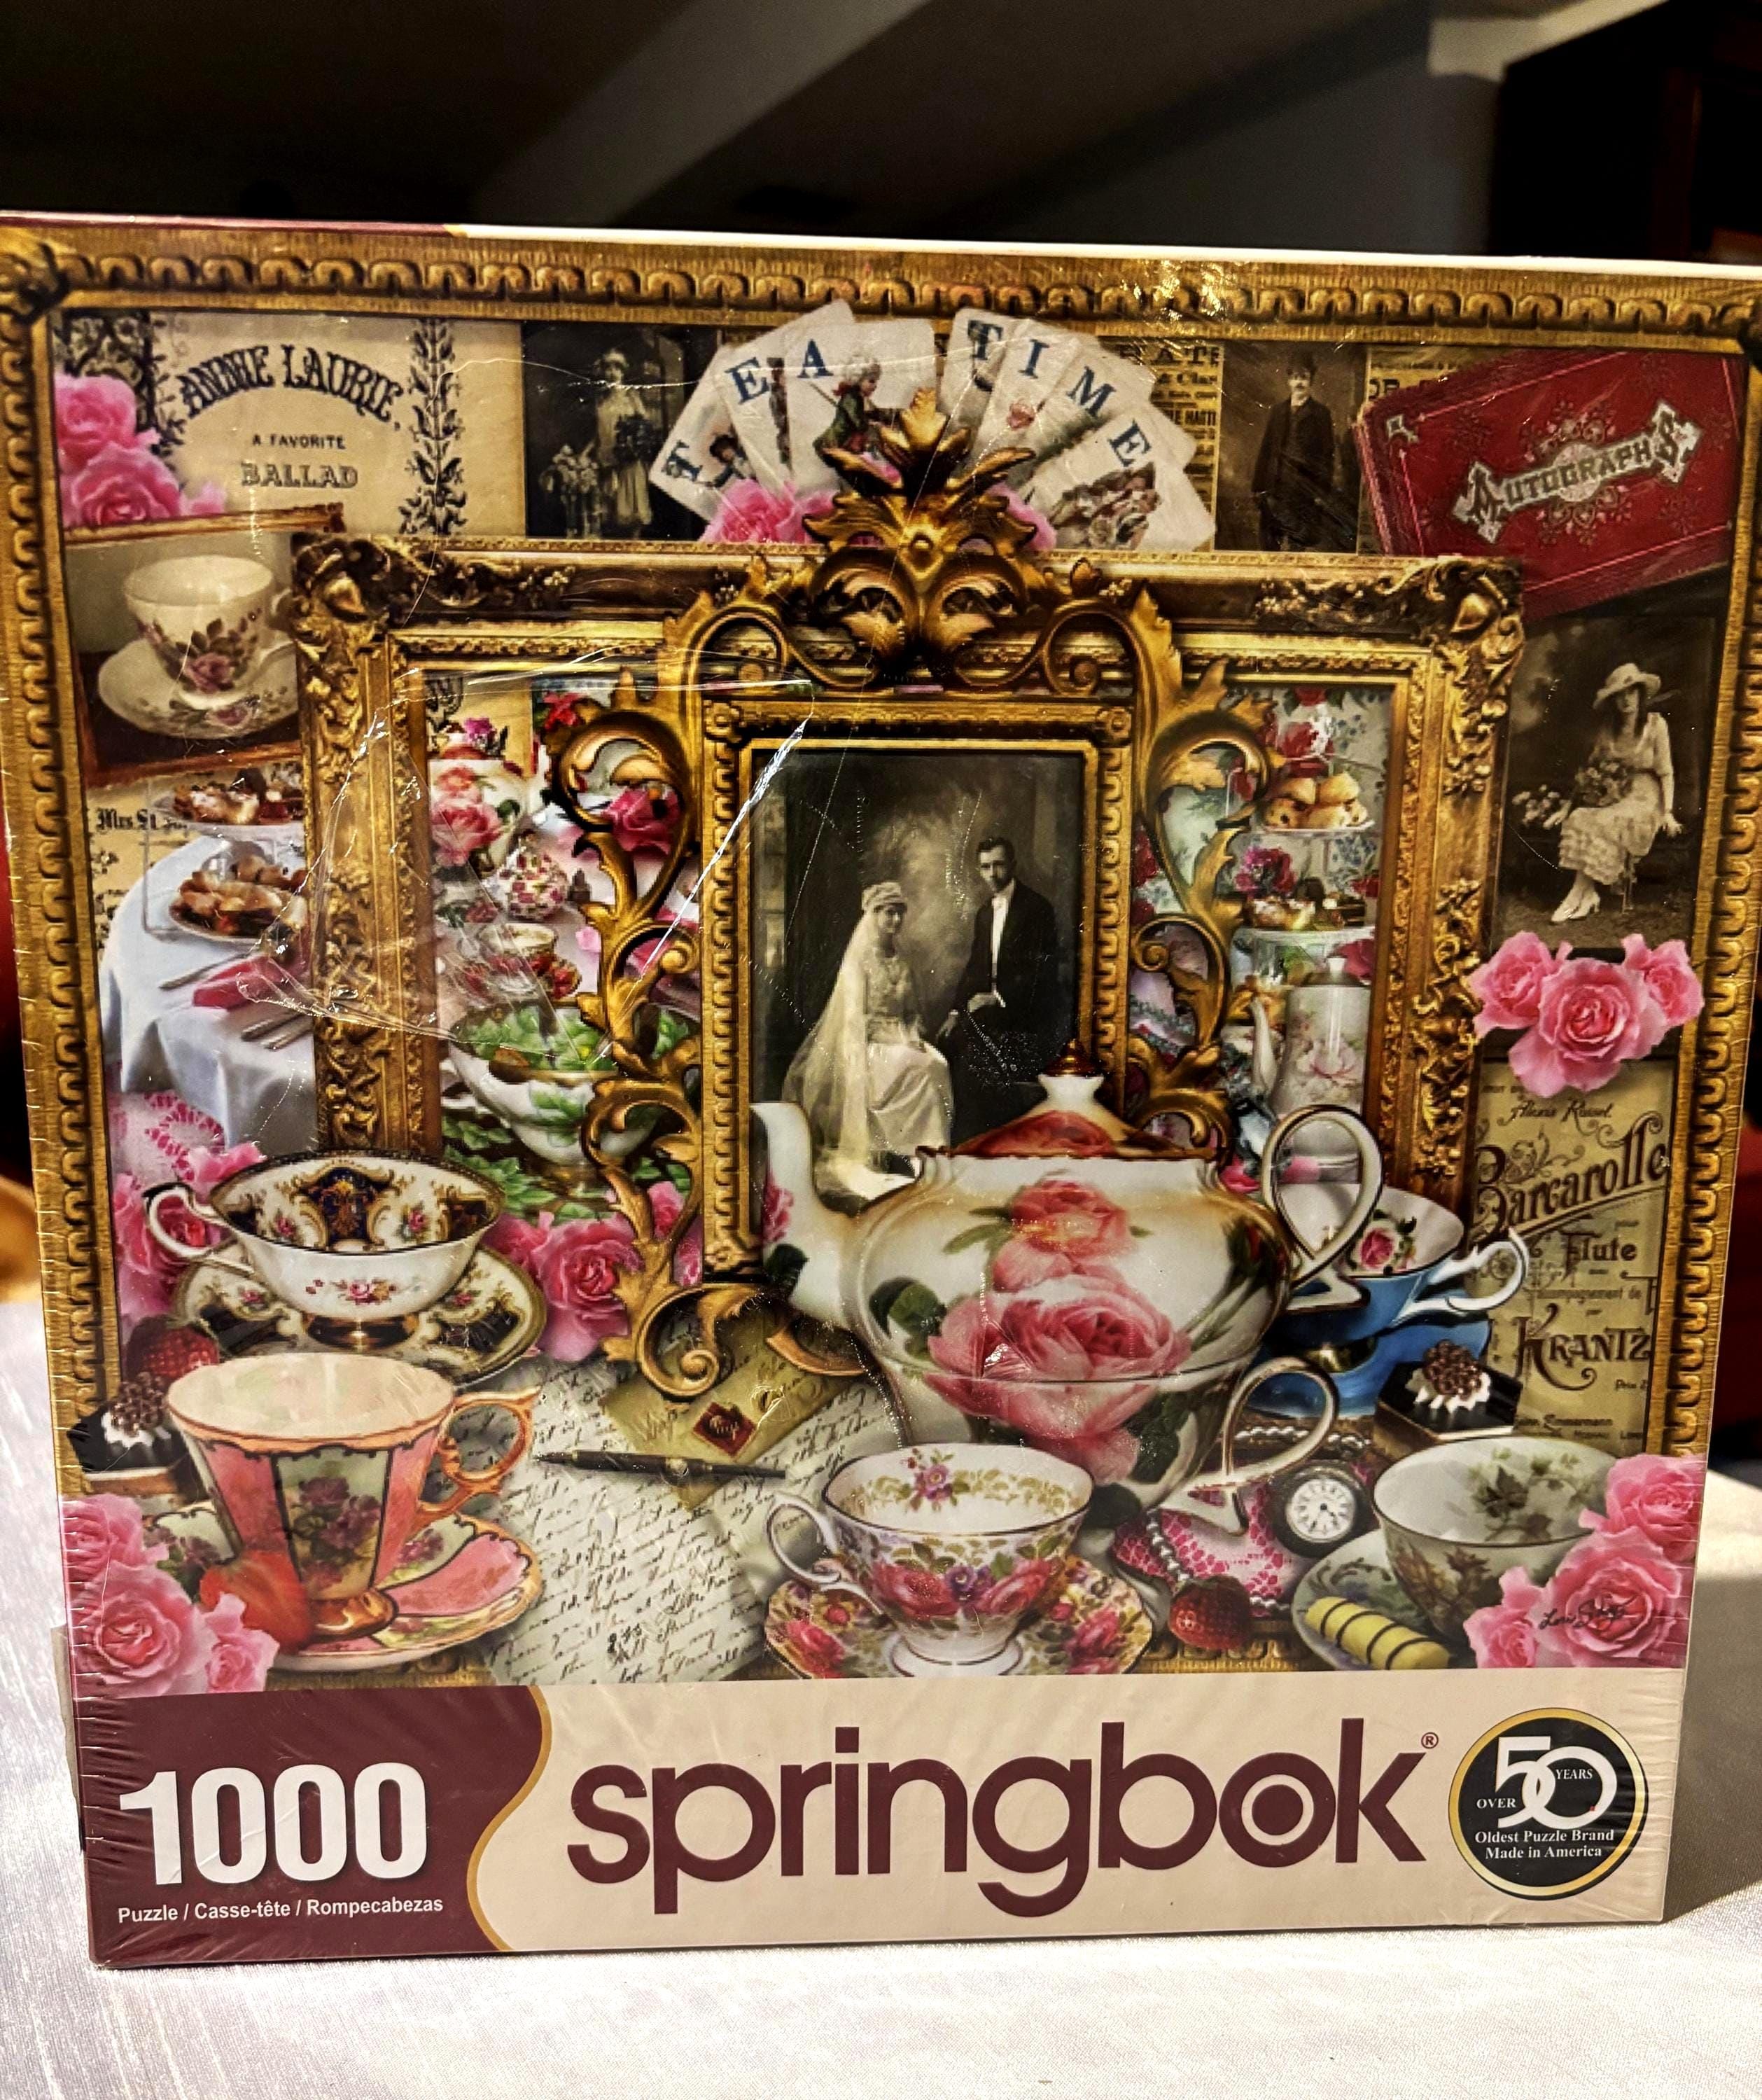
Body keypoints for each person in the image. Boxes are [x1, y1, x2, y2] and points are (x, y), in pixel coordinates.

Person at [784, 881, 953, 1199]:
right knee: (921, 1069)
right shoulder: (859, 962)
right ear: (873, 915)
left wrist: (911, 1035)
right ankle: (913, 1150)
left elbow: (912, 1013)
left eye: (900, 913)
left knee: (937, 1063)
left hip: (902, 1042)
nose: (896, 920)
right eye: (889, 913)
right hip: (871, 1047)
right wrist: (894, 1040)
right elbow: (855, 1020)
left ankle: (926, 1153)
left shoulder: (903, 960)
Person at [938, 836, 1062, 1141]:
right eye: (985, 867)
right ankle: (963, 1136)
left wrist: (998, 998)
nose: (992, 874)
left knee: (971, 1048)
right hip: (989, 1010)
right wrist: (955, 1011)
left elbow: (1041, 974)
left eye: (998, 865)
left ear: (1013, 865)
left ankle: (985, 1135)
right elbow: (974, 968)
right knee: (947, 1040)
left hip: (1024, 1011)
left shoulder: (1037, 909)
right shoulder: (985, 913)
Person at [1551, 662, 1681, 923]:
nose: (1626, 700)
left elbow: (1666, 772)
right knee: (1581, 817)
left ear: (1641, 695)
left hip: (1646, 797)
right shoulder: (1608, 731)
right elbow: (1591, 770)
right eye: (1620, 695)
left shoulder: (1656, 725)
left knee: (1607, 821)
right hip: (1616, 792)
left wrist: (1668, 812)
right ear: (1613, 701)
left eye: (1631, 692)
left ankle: (1576, 896)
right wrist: (1566, 807)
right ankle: (1587, 894)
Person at [1251, 352, 1350, 551]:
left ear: (1311, 381)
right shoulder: (1278, 412)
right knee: (1271, 540)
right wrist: (1258, 487)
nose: (1299, 383)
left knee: (1299, 540)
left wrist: (1320, 491)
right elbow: (1266, 449)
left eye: (1304, 377)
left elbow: (1326, 456)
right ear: (1289, 381)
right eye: (1295, 377)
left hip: (1304, 488)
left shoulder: (1321, 414)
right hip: (1276, 485)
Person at [593, 349, 659, 537]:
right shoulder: (601, 400)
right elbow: (597, 431)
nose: (612, 373)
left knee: (631, 507)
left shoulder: (631, 396)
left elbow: (644, 425)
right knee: (608, 508)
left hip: (629, 458)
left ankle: (635, 543)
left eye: (616, 369)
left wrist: (633, 445)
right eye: (608, 369)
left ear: (622, 372)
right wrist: (586, 453)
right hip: (606, 456)